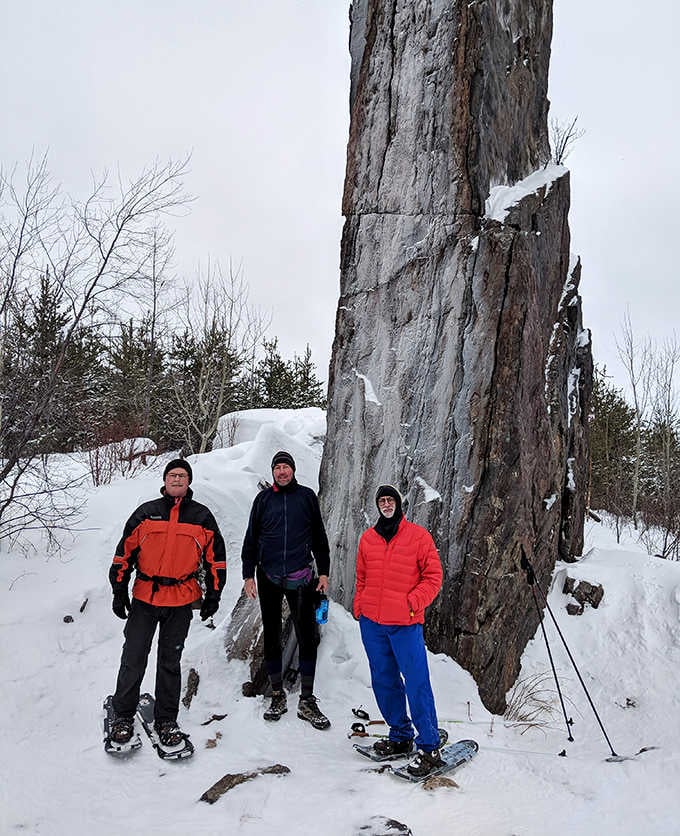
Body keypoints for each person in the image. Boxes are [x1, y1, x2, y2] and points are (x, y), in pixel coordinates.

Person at [108, 458, 226, 747]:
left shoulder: (201, 517)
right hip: (146, 598)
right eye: (172, 475)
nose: (177, 479)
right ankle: (123, 714)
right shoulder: (146, 513)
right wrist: (119, 590)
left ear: (188, 482)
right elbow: (124, 553)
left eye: (182, 476)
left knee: (170, 662)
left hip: (180, 600)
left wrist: (214, 594)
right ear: (165, 480)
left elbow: (216, 560)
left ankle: (166, 720)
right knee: (134, 657)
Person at [353, 484, 444, 778]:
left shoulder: (418, 536)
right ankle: (400, 735)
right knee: (384, 680)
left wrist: (412, 602)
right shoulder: (368, 539)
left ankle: (429, 746)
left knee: (417, 682)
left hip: (405, 624)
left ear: (399, 504)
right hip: (373, 624)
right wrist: (360, 606)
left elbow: (433, 576)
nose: (386, 504)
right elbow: (361, 576)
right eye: (381, 500)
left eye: (390, 499)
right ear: (377, 505)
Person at [241, 450, 331, 730]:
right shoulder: (263, 500)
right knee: (272, 634)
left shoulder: (306, 497)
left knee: (307, 634)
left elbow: (318, 536)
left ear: (293, 470)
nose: (282, 471)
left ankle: (306, 698)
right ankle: (277, 694)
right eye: (277, 467)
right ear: (272, 472)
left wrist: (324, 572)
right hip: (267, 575)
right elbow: (251, 538)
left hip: (301, 576)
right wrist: (247, 575)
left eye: (286, 467)